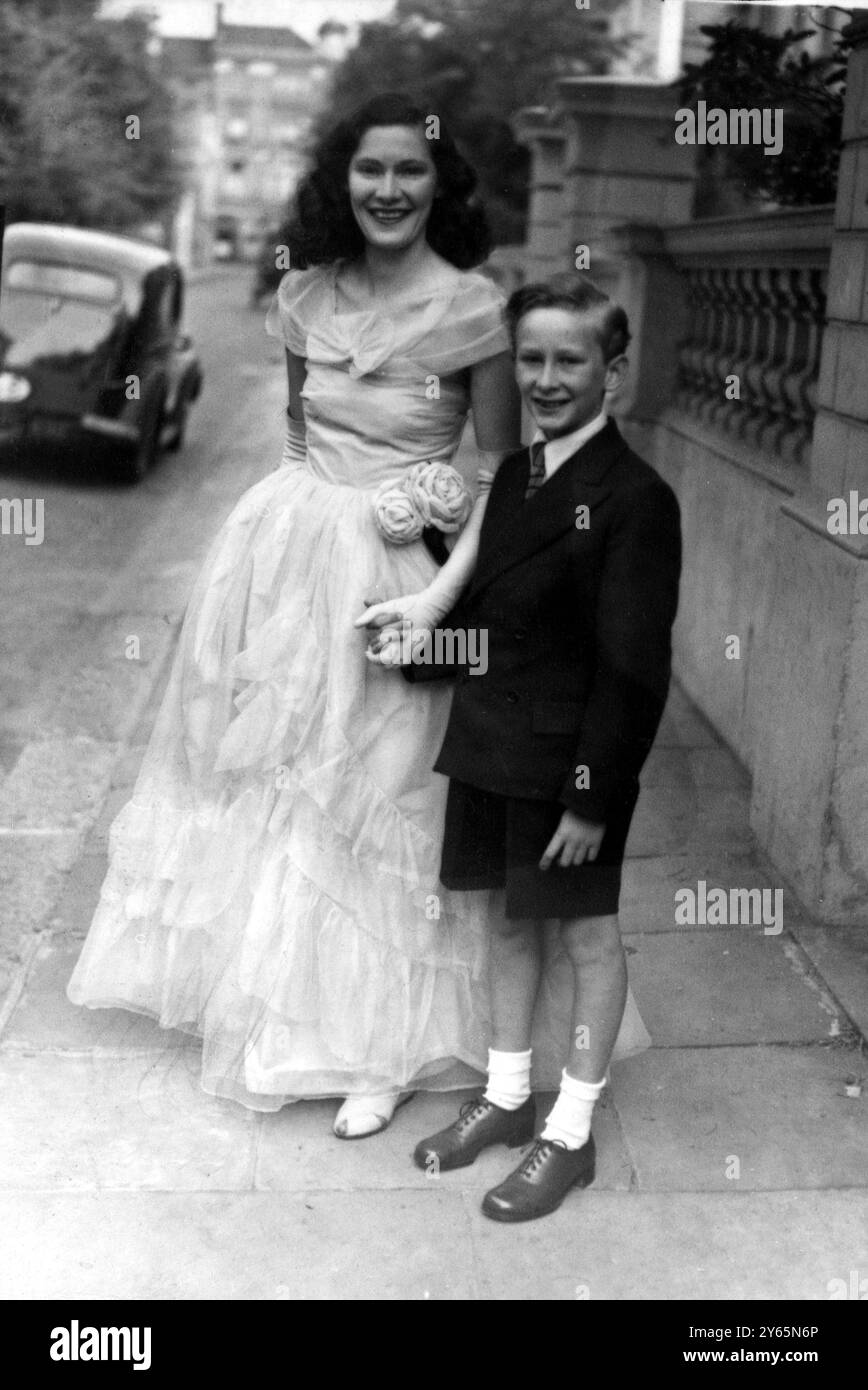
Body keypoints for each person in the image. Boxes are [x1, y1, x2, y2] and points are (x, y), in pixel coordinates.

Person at [67, 93, 523, 1138]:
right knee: (270, 777)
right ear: (341, 180)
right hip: (283, 555)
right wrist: (264, 555)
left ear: (439, 184)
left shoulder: (473, 310)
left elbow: (500, 469)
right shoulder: (304, 296)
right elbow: (292, 437)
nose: (389, 189)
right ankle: (271, 1010)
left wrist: (437, 590)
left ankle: (380, 1049)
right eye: (369, 170)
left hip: (401, 577)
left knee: (377, 791)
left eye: (410, 170)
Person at [389, 274, 682, 1219]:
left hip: (570, 764)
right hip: (491, 745)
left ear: (612, 369)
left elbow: (632, 668)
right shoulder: (515, 474)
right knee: (508, 924)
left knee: (588, 937)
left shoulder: (637, 498)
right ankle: (511, 1100)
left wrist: (592, 799)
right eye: (531, 358)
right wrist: (415, 642)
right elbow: (491, 606)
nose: (546, 378)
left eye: (570, 359)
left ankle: (571, 1134)